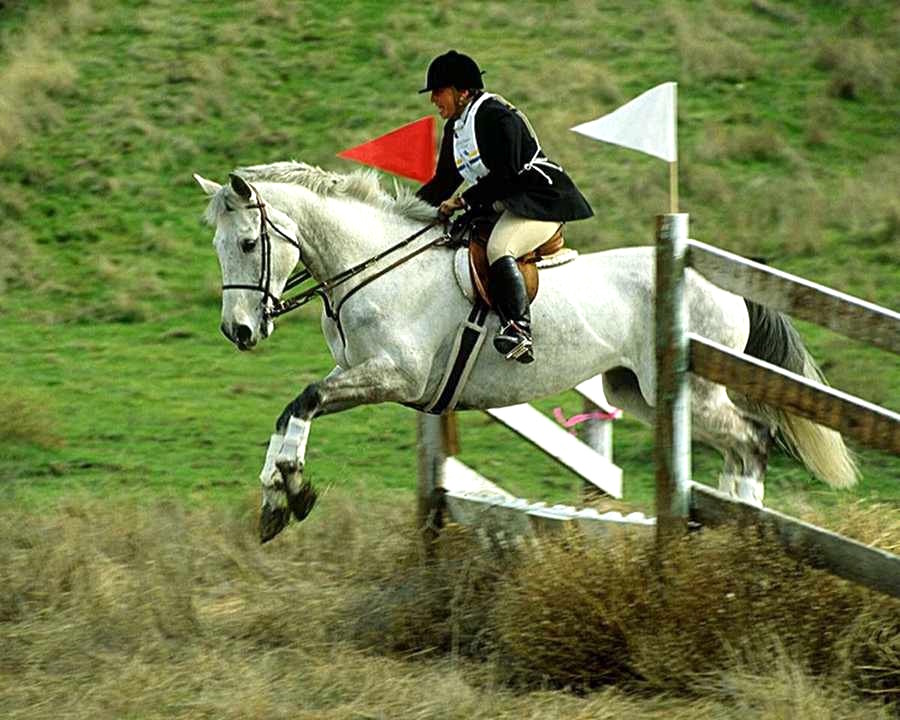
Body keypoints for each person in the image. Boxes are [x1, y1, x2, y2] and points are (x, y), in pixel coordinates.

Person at [416, 50, 593, 364]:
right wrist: (404, 209)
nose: (433, 99)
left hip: (541, 201)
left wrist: (465, 200)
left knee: (500, 247)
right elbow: (443, 182)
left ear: (463, 92)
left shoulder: (497, 117)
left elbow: (508, 175)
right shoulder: (456, 128)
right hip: (503, 204)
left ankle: (520, 330)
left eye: (439, 91)